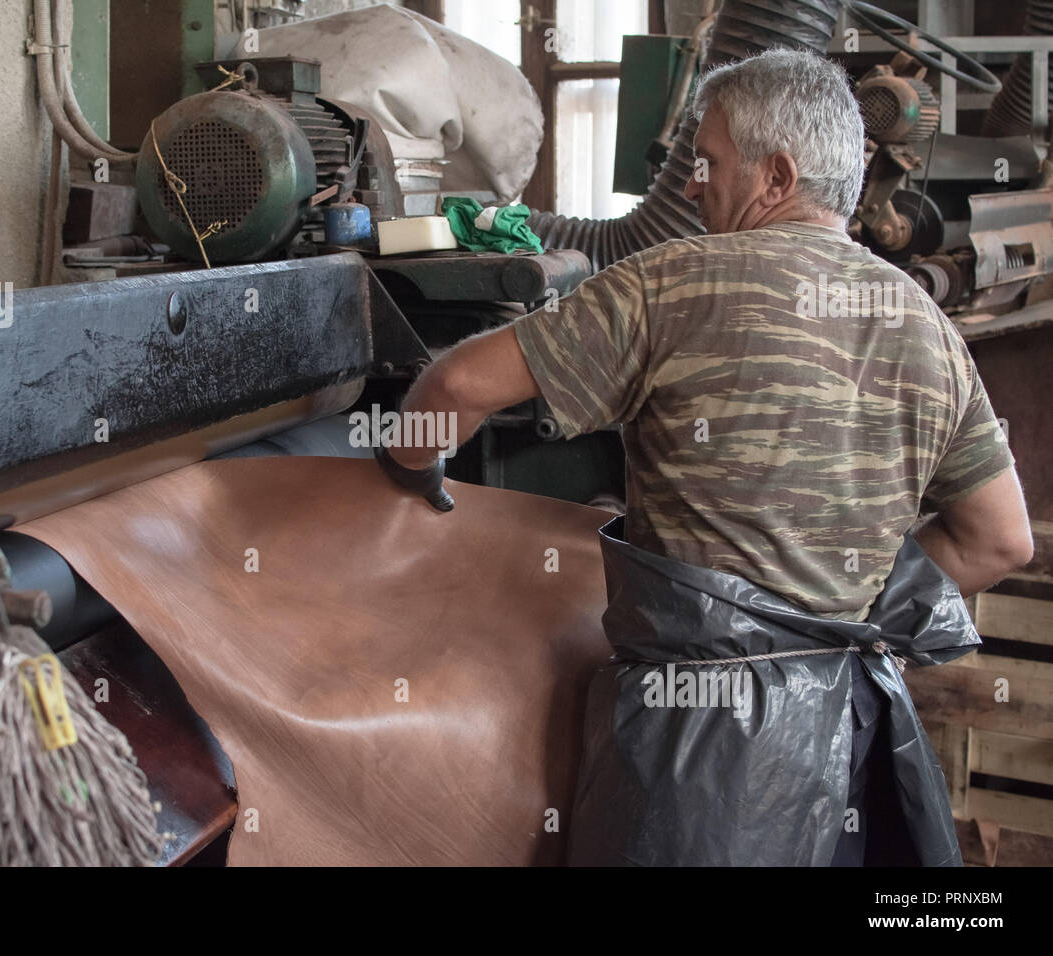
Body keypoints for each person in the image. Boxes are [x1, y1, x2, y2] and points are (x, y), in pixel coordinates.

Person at [375, 47, 1033, 864]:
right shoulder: (929, 329)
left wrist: (404, 472)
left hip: (690, 757)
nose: (691, 184)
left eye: (709, 162)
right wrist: (834, 623)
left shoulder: (673, 284)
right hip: (849, 738)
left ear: (778, 176)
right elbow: (999, 540)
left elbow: (462, 382)